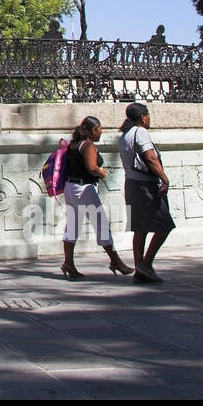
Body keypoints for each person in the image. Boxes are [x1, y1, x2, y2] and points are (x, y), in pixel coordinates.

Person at [59, 116, 133, 279]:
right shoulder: (87, 145)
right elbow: (92, 167)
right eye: (100, 129)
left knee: (72, 226)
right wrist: (101, 172)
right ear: (94, 129)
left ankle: (68, 263)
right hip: (85, 189)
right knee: (101, 225)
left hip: (71, 188)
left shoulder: (74, 144)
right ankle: (115, 261)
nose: (101, 133)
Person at [117, 102, 175, 284]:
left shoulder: (125, 135)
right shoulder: (141, 132)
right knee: (164, 225)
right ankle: (146, 264)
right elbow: (149, 156)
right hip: (146, 186)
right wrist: (164, 178)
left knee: (140, 229)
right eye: (148, 115)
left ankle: (140, 268)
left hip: (132, 184)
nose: (149, 118)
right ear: (143, 117)